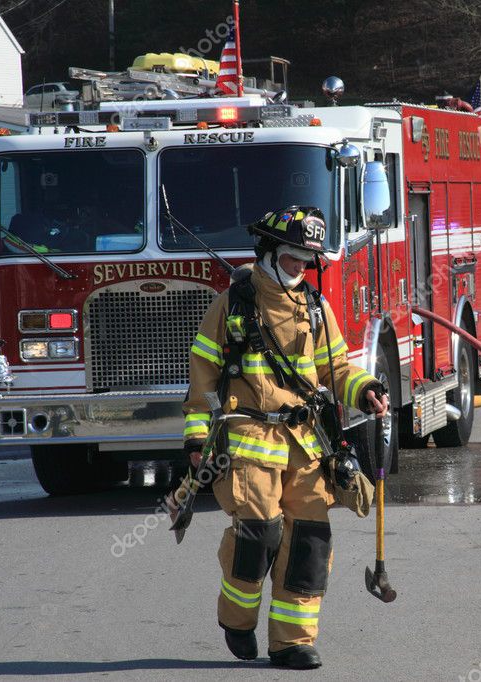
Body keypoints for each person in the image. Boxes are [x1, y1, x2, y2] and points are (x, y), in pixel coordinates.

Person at [171, 206, 389, 670]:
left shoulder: (316, 308)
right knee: (258, 535)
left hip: (306, 443)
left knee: (309, 541)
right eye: (294, 257)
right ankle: (238, 621)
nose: (301, 267)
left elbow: (336, 369)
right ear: (269, 252)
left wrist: (365, 388)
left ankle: (292, 642)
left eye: (308, 261)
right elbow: (202, 381)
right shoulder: (231, 305)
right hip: (247, 439)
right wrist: (196, 441)